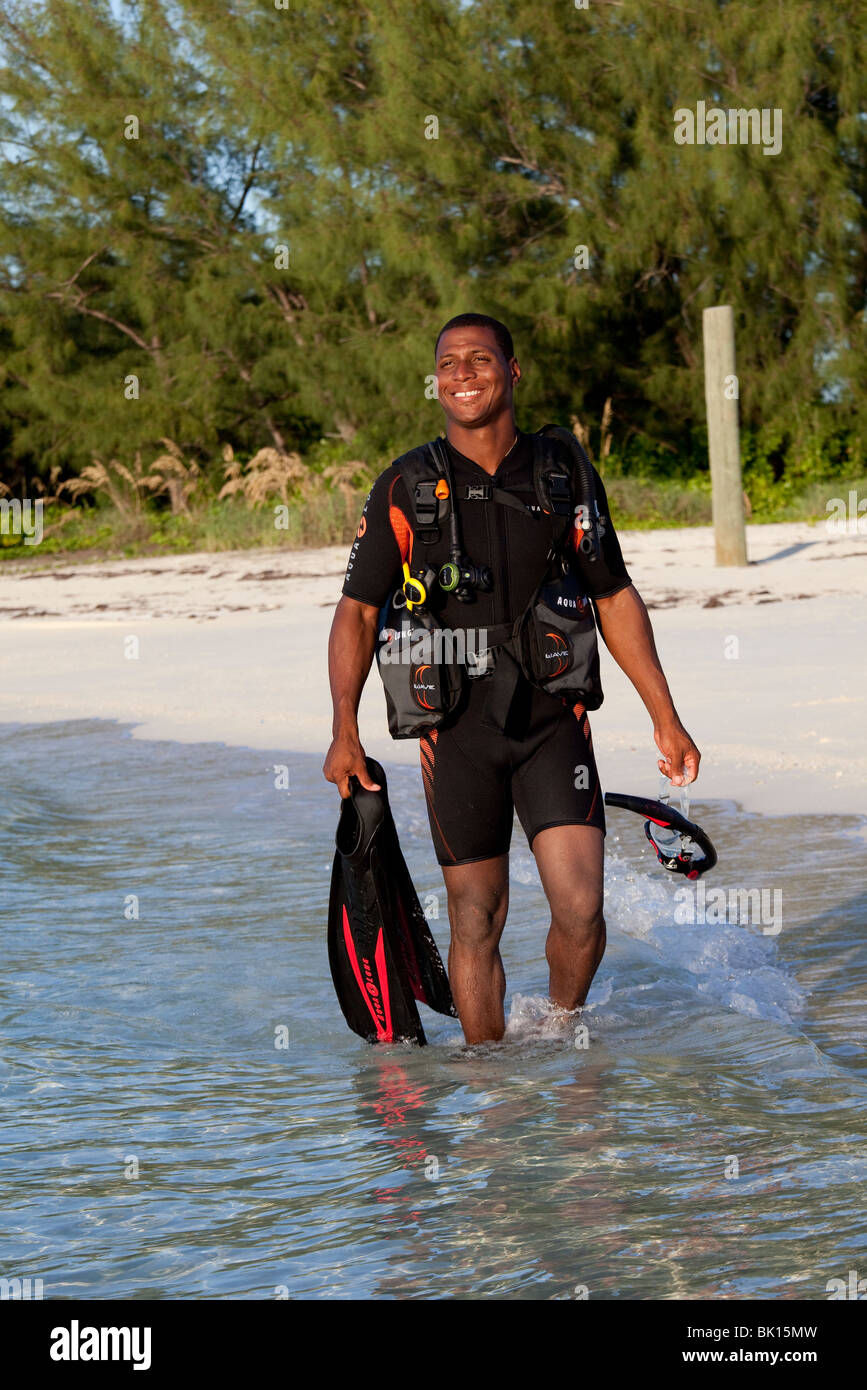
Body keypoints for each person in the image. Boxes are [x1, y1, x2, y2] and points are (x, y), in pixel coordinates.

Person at [324, 313, 700, 1044]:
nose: (462, 374)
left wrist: (665, 715)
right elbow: (357, 614)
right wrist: (345, 729)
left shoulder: (561, 474)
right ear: (434, 380)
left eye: (479, 359)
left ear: (512, 371)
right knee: (474, 916)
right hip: (456, 731)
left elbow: (613, 595)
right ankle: (492, 1085)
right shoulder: (405, 484)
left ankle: (561, 1032)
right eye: (448, 363)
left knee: (581, 910)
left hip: (550, 722)